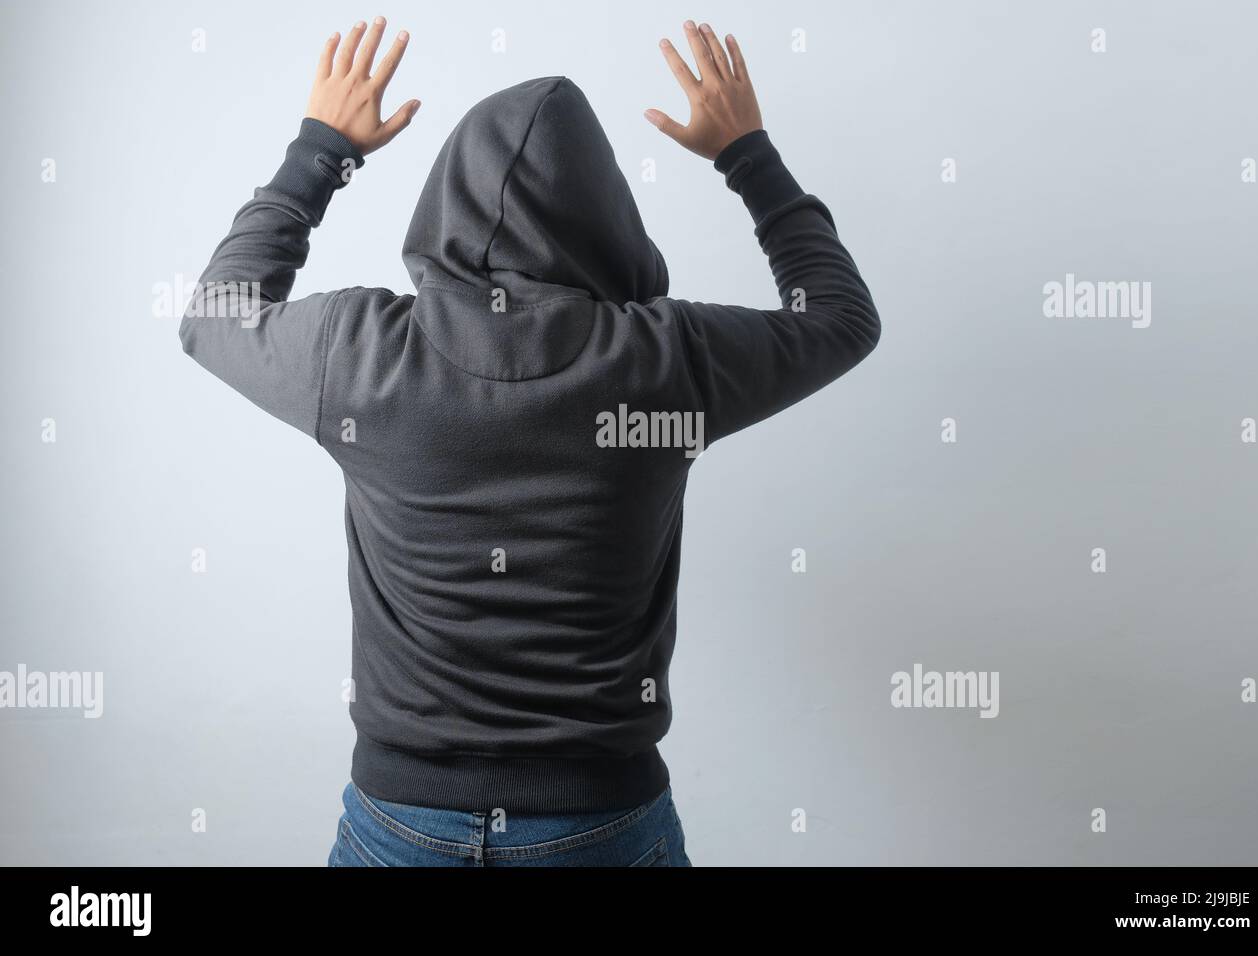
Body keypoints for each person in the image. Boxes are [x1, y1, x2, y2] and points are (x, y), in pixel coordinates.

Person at [180, 16, 880, 867]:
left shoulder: (359, 354)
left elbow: (214, 316)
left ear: (444, 203)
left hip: (403, 819)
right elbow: (841, 319)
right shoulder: (662, 362)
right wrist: (747, 154)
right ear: (607, 217)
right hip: (602, 822)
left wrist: (322, 150)